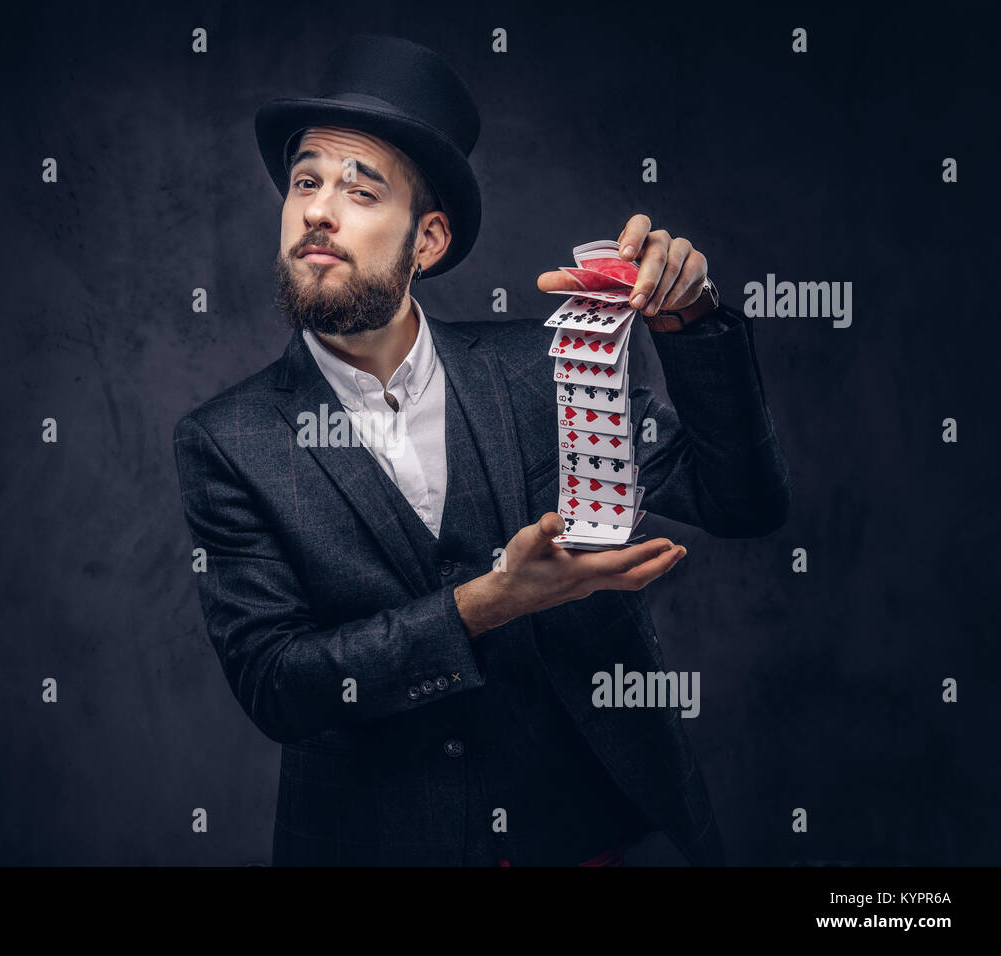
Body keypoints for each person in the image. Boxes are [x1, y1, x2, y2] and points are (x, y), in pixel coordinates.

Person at [173, 33, 790, 866]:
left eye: (361, 190)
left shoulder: (540, 369)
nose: (318, 209)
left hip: (605, 835)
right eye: (305, 182)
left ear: (426, 242)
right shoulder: (228, 440)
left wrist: (690, 326)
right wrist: (491, 600)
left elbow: (741, 503)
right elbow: (279, 685)